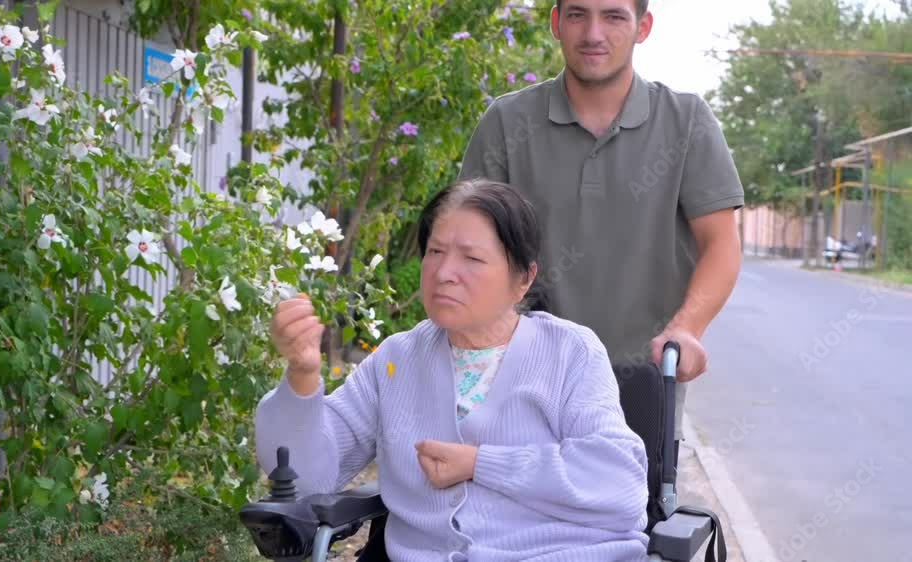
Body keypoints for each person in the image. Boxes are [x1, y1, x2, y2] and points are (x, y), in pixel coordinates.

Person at [255, 179, 651, 561]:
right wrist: (303, 376)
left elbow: (619, 484)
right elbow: (304, 478)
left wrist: (482, 464)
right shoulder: (397, 360)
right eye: (435, 252)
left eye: (473, 258)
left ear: (522, 279)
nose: (444, 273)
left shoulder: (570, 352)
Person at [457, 0, 744, 445]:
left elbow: (721, 245)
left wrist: (686, 329)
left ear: (642, 27)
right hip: (523, 372)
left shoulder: (686, 122)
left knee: (638, 508)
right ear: (556, 23)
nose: (593, 33)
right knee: (515, 503)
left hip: (644, 379)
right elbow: (470, 243)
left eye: (613, 16)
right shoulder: (506, 123)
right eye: (577, 14)